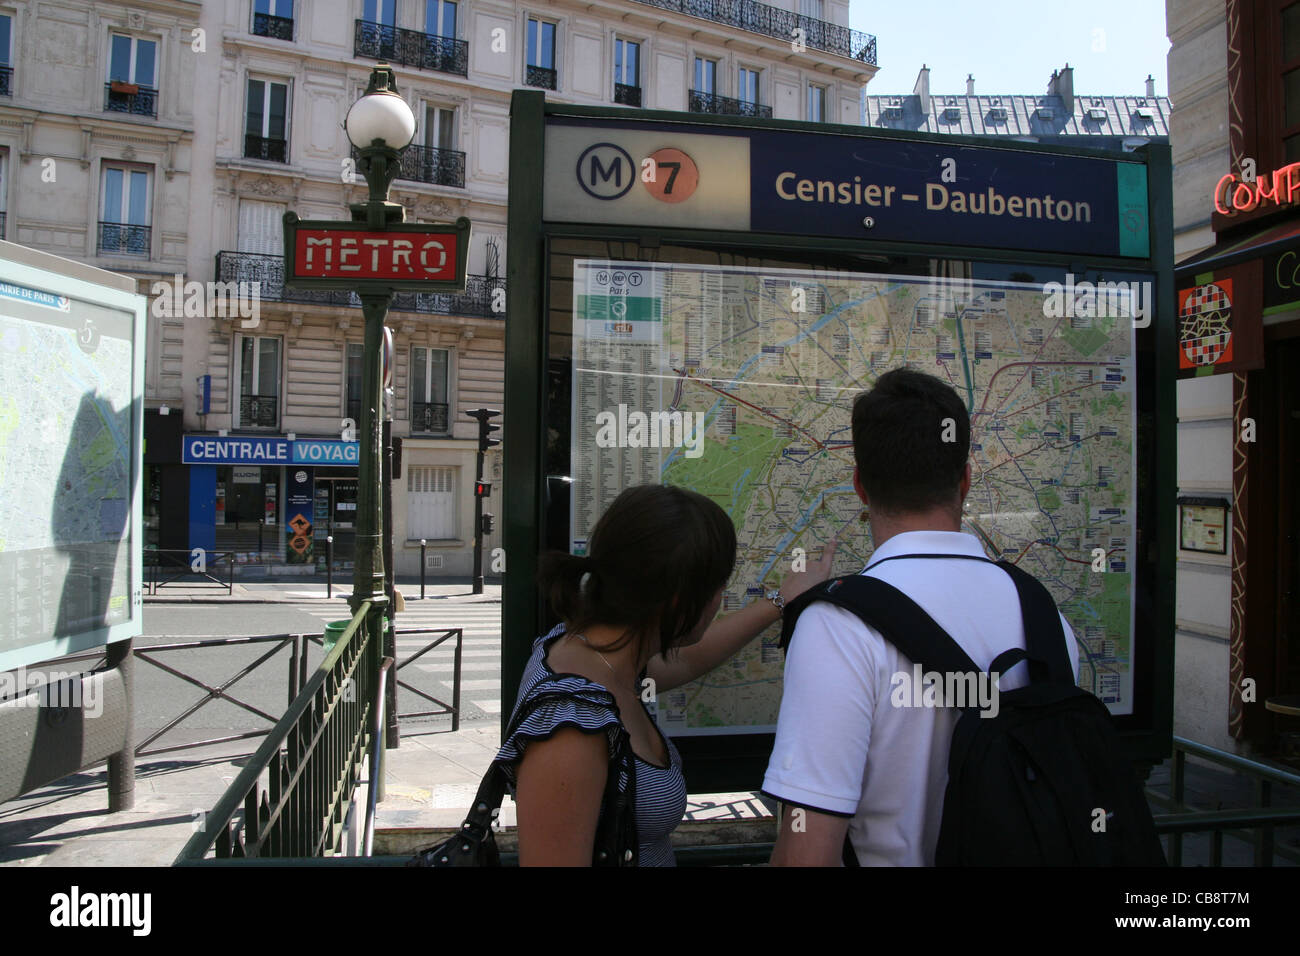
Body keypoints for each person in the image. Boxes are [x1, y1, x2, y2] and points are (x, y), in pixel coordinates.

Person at [763, 368, 1080, 866]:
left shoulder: (838, 628)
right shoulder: (1043, 615)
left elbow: (808, 852)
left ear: (860, 486)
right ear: (966, 479)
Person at [494, 482, 836, 866]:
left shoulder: (594, 653)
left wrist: (780, 602)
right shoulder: (569, 731)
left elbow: (688, 660)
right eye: (719, 587)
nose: (721, 599)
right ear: (678, 601)